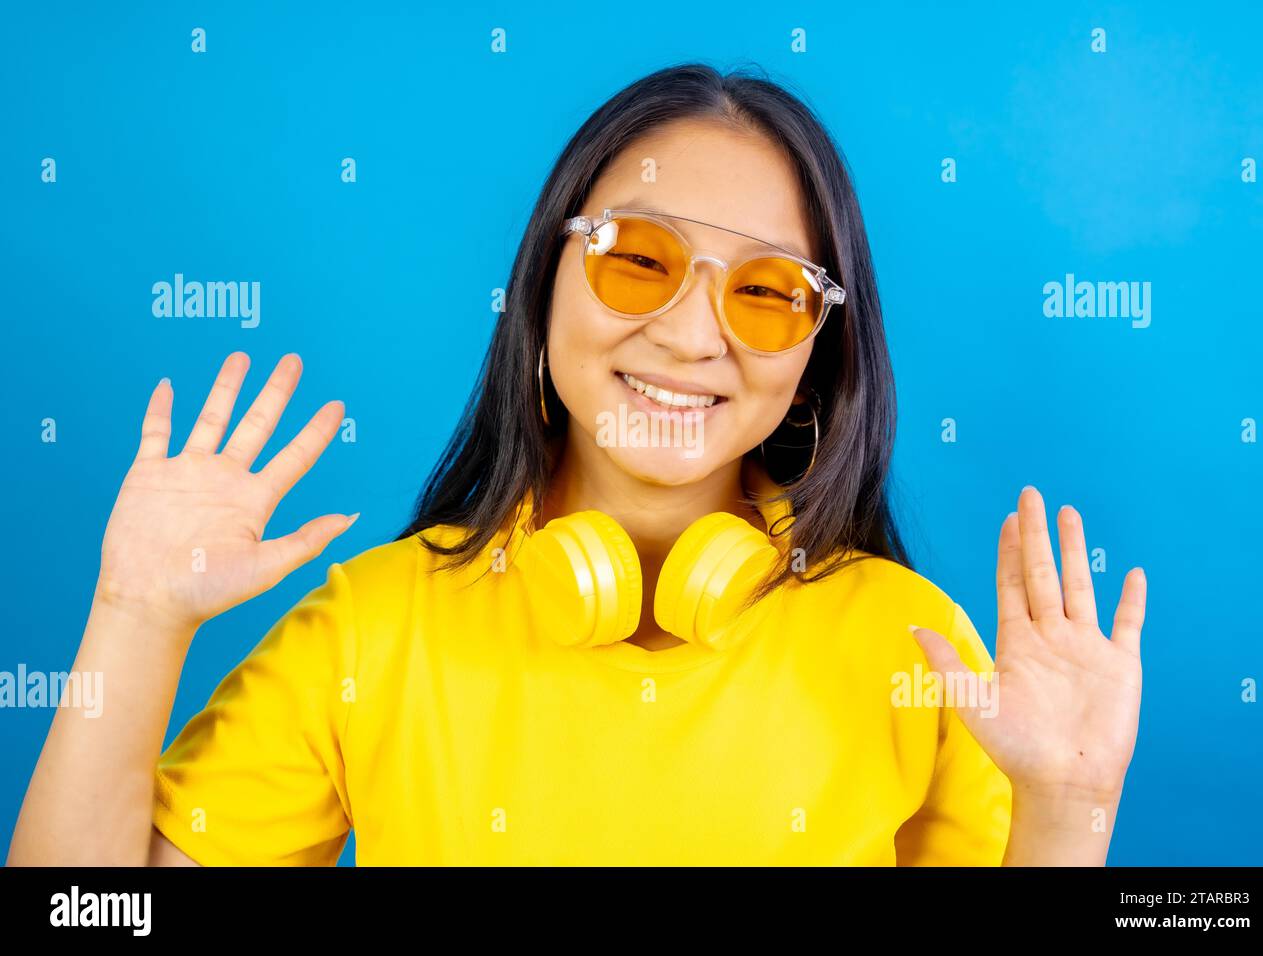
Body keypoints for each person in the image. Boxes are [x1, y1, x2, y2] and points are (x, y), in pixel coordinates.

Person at [7, 64, 1146, 866]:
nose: (694, 335)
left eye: (763, 291)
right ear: (543, 282)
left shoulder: (913, 647)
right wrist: (138, 612)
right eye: (638, 260)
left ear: (816, 353)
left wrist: (1069, 809)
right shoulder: (372, 628)